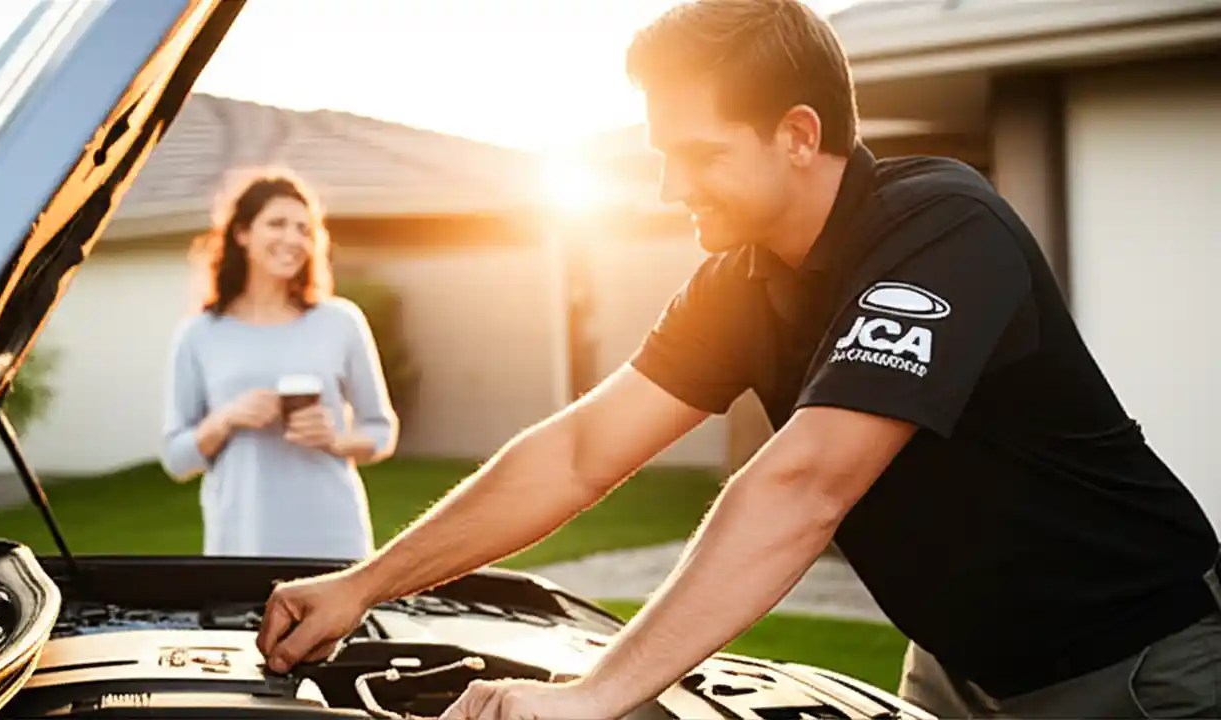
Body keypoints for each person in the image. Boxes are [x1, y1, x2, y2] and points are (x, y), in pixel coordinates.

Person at [255, 2, 1221, 717]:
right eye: (660, 153)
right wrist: (361, 586)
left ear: (798, 135)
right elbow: (580, 450)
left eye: (699, 154)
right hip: (955, 666)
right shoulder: (740, 279)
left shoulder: (943, 229)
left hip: (1136, 664)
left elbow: (804, 485)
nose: (671, 185)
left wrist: (594, 698)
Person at [160, 171, 399, 562]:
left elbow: (382, 430)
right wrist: (226, 420)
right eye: (277, 224)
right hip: (241, 540)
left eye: (304, 229)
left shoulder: (340, 321)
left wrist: (336, 440)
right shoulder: (199, 334)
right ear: (241, 233)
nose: (293, 239)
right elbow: (176, 459)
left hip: (333, 538)